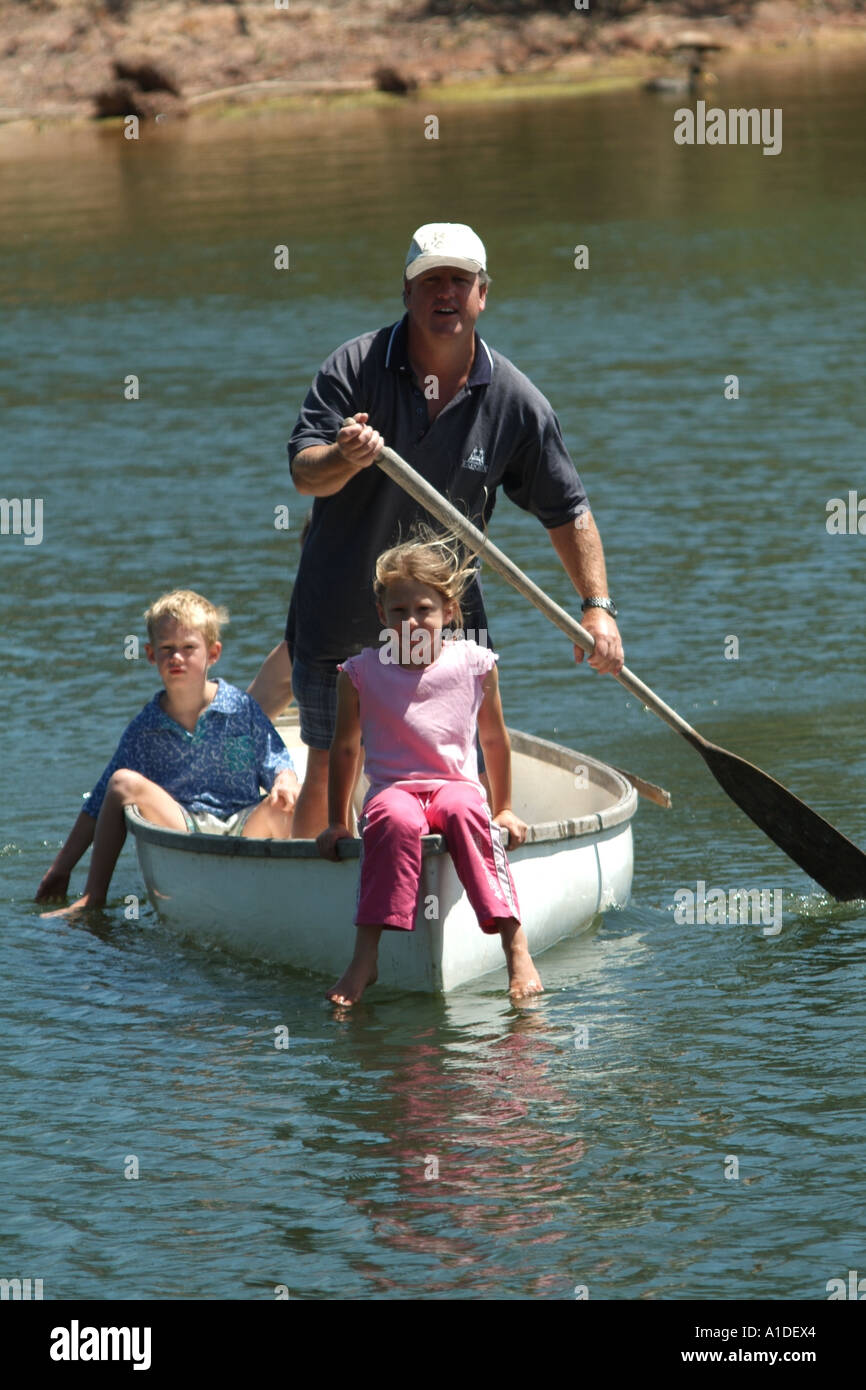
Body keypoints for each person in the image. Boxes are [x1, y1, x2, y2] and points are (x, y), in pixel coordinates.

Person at [260, 221, 624, 838]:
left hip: (446, 617)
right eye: (430, 281)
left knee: (457, 764)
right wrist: (344, 457)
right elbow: (304, 474)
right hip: (339, 611)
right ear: (407, 294)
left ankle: (460, 887)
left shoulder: (514, 401)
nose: (445, 293)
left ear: (483, 293)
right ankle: (322, 898)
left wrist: (597, 608)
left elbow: (568, 510)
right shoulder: (354, 366)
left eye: (459, 280)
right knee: (326, 766)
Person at [316, 532, 542, 1006]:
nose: (412, 621)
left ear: (450, 611)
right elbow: (344, 749)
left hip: (453, 785)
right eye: (399, 612)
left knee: (465, 811)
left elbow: (495, 739)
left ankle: (515, 947)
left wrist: (504, 807)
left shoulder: (475, 664)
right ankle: (366, 958)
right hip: (394, 788)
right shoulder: (361, 673)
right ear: (382, 615)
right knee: (391, 820)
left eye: (424, 609)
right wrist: (337, 821)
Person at [37, 589, 300, 917]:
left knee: (286, 800)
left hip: (245, 823)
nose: (177, 657)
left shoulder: (241, 708)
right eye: (167, 649)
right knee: (122, 782)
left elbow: (277, 761)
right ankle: (93, 898)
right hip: (183, 825)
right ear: (150, 654)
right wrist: (60, 869)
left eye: (189, 648)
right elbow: (99, 800)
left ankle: (298, 899)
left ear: (213, 653)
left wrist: (285, 779)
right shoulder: (146, 726)